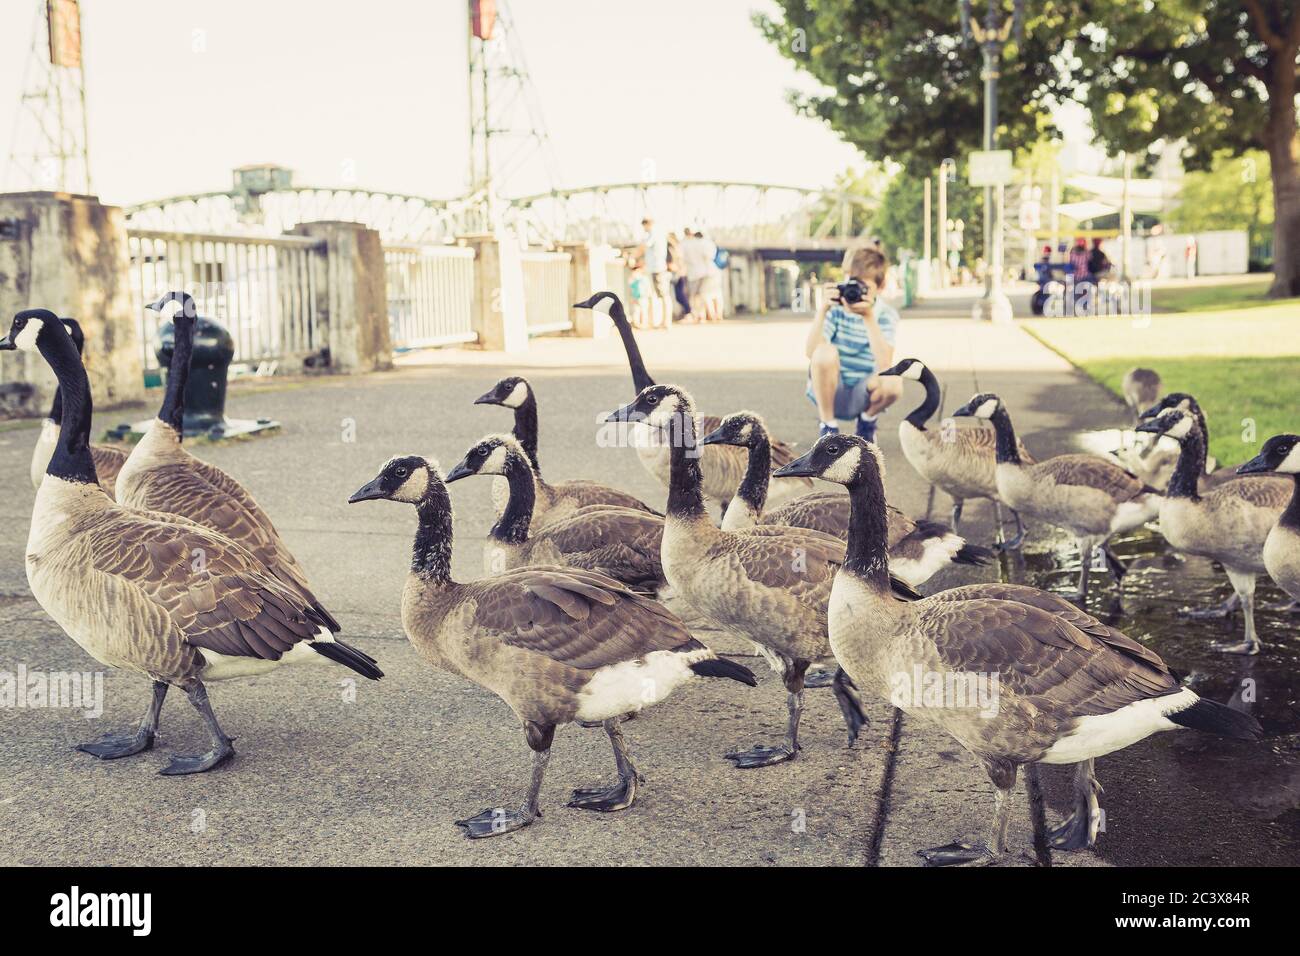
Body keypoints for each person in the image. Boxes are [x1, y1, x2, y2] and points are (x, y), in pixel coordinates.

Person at [804, 244, 901, 442]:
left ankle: (866, 421)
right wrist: (822, 310)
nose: (854, 292)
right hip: (831, 391)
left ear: (880, 287)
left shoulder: (886, 315)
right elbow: (811, 352)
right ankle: (828, 426)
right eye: (851, 283)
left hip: (864, 393)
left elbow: (885, 364)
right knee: (824, 352)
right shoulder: (836, 309)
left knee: (894, 381)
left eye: (862, 287)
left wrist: (869, 318)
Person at [635, 217, 672, 329]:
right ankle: (662, 321)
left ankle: (665, 322)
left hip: (656, 268)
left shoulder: (653, 234)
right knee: (660, 295)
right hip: (658, 268)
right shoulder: (660, 234)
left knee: (663, 295)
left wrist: (632, 257)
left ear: (648, 224)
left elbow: (643, 247)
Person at [682, 229, 722, 323]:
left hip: (694, 273)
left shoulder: (688, 244)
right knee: (709, 295)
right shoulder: (707, 243)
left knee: (698, 296)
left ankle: (701, 316)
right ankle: (712, 315)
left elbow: (684, 258)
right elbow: (711, 256)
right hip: (707, 272)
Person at [628, 261, 650, 329]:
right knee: (639, 311)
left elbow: (647, 287)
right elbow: (631, 289)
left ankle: (640, 323)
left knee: (639, 311)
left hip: (640, 296)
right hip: (639, 296)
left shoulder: (634, 278)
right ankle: (639, 323)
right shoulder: (641, 278)